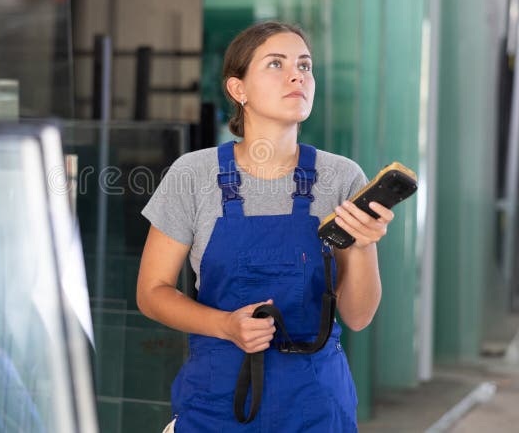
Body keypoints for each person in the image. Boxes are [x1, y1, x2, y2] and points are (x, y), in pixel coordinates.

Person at [137, 21, 394, 432]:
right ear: (238, 90)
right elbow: (151, 293)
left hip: (315, 405)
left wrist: (362, 246)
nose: (297, 75)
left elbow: (358, 316)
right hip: (216, 404)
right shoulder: (194, 174)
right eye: (276, 64)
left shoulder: (342, 177)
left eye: (305, 66)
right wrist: (225, 325)